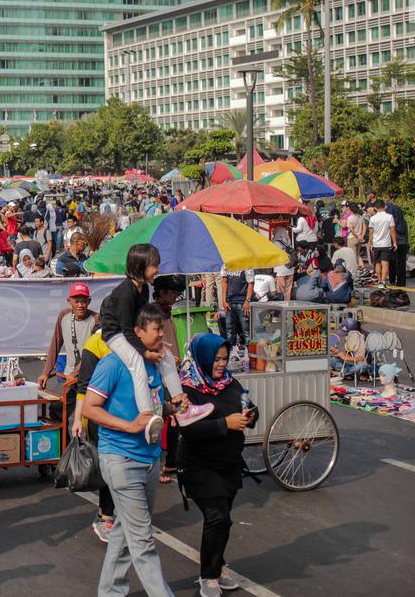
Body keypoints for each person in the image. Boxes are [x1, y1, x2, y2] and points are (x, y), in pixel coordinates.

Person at [83, 304, 175, 597]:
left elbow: (154, 405)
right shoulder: (112, 364)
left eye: (163, 328)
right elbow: (90, 408)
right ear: (137, 332)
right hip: (120, 459)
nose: (162, 335)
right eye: (156, 329)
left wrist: (174, 407)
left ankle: (110, 591)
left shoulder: (155, 363)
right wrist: (129, 426)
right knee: (142, 539)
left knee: (125, 531)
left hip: (148, 460)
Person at [102, 244, 207, 446]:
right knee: (137, 365)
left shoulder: (144, 289)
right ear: (140, 266)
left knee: (165, 354)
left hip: (134, 330)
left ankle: (181, 407)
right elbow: (125, 330)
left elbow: (142, 323)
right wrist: (144, 351)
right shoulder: (125, 292)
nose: (157, 270)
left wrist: (157, 341)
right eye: (154, 265)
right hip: (114, 332)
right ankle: (147, 416)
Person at [177, 333, 255, 597]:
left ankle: (218, 563)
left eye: (225, 358)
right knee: (217, 516)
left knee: (224, 520)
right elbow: (188, 429)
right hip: (199, 465)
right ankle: (209, 576)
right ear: (203, 358)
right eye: (216, 359)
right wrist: (226, 424)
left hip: (229, 464)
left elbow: (247, 405)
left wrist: (250, 414)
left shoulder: (229, 383)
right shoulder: (187, 388)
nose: (221, 364)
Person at [39, 282, 98, 387]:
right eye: (76, 301)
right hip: (69, 376)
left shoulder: (96, 319)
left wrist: (75, 373)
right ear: (69, 301)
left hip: (90, 378)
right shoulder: (64, 315)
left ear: (89, 301)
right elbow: (55, 345)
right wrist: (45, 372)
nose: (80, 305)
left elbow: (93, 352)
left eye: (84, 301)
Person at [367, 204, 396, 286]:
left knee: (377, 263)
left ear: (375, 208)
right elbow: (392, 230)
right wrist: (395, 242)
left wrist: (370, 242)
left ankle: (379, 280)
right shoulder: (389, 216)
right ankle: (383, 281)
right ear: (385, 207)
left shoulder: (372, 218)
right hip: (386, 244)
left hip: (376, 244)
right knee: (385, 263)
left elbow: (371, 231)